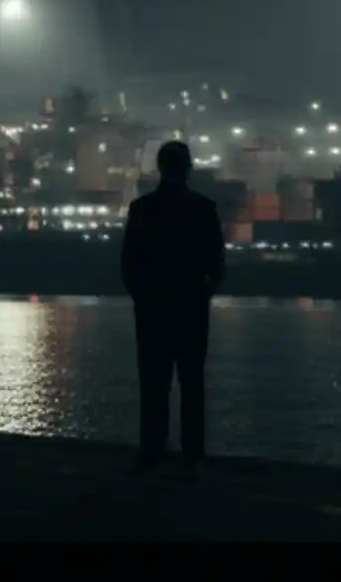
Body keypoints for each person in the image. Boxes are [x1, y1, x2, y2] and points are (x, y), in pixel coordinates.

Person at [121, 140, 225, 477]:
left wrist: (143, 296)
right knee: (192, 382)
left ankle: (152, 451)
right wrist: (203, 293)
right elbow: (217, 263)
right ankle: (193, 455)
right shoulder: (203, 208)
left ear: (160, 167)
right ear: (188, 167)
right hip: (191, 308)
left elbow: (129, 264)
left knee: (154, 383)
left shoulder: (141, 208)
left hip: (153, 309)